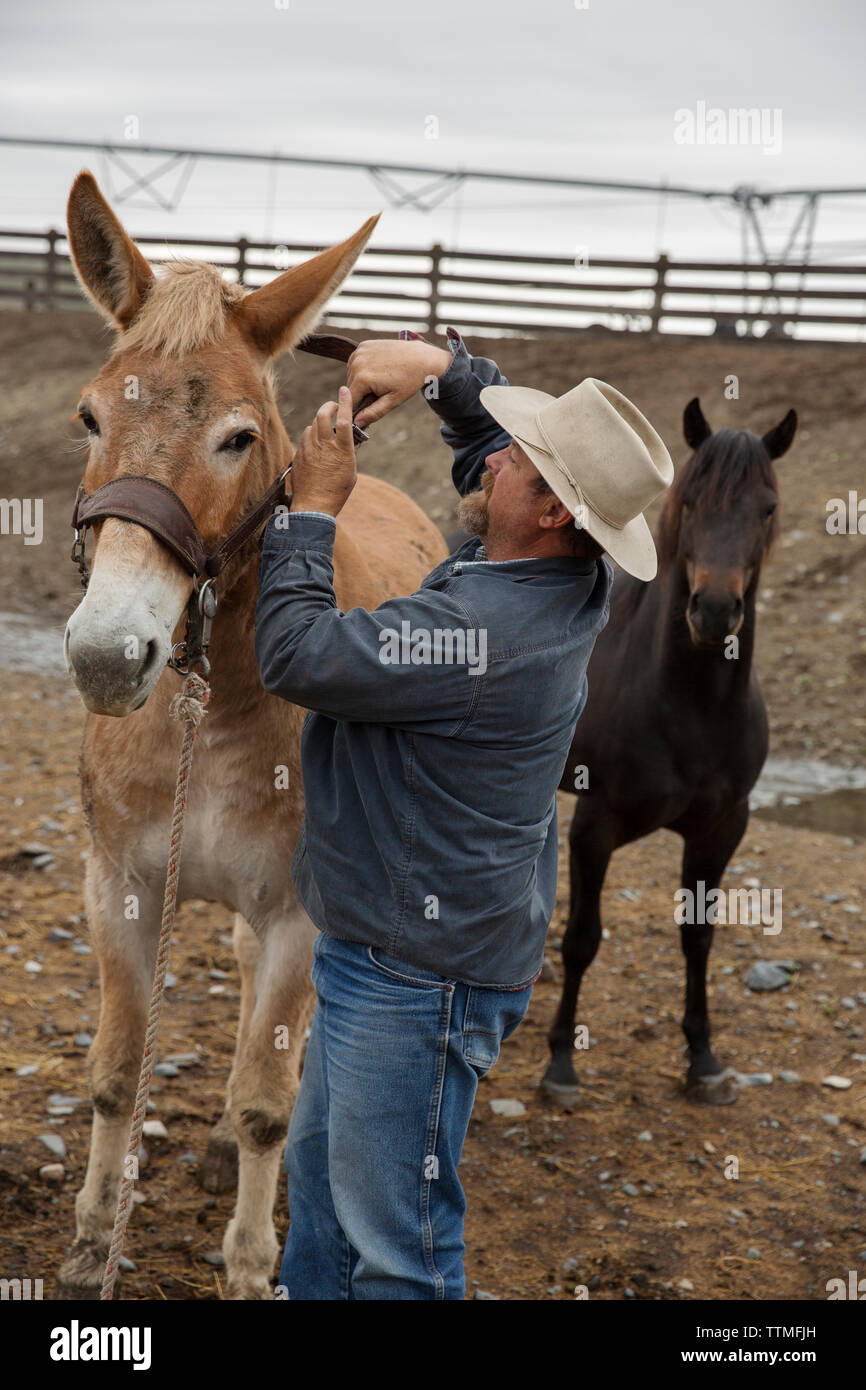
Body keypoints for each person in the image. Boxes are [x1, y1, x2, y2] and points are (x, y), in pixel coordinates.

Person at [254, 327, 673, 1299]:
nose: (495, 455)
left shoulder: (478, 636)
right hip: (404, 952)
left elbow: (298, 656)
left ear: (553, 509)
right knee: (321, 1194)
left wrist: (308, 516)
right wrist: (441, 373)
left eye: (521, 459)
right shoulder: (562, 569)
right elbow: (484, 450)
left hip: (414, 977)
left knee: (399, 1247)